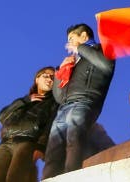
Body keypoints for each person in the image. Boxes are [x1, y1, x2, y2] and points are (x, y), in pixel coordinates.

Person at [42, 24, 115, 178]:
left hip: (84, 101)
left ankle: (71, 177)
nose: (68, 44)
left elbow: (106, 66)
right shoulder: (75, 62)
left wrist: (80, 48)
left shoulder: (102, 49)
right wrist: (59, 73)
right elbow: (59, 97)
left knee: (74, 141)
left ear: (83, 36)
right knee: (53, 151)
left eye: (71, 39)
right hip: (64, 107)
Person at [0, 67, 58, 182]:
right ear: (37, 79)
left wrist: (41, 146)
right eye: (45, 76)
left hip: (27, 142)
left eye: (53, 77)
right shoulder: (23, 101)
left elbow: (50, 126)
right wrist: (26, 100)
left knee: (15, 178)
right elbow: (2, 117)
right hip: (5, 143)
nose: (49, 79)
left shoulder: (53, 102)